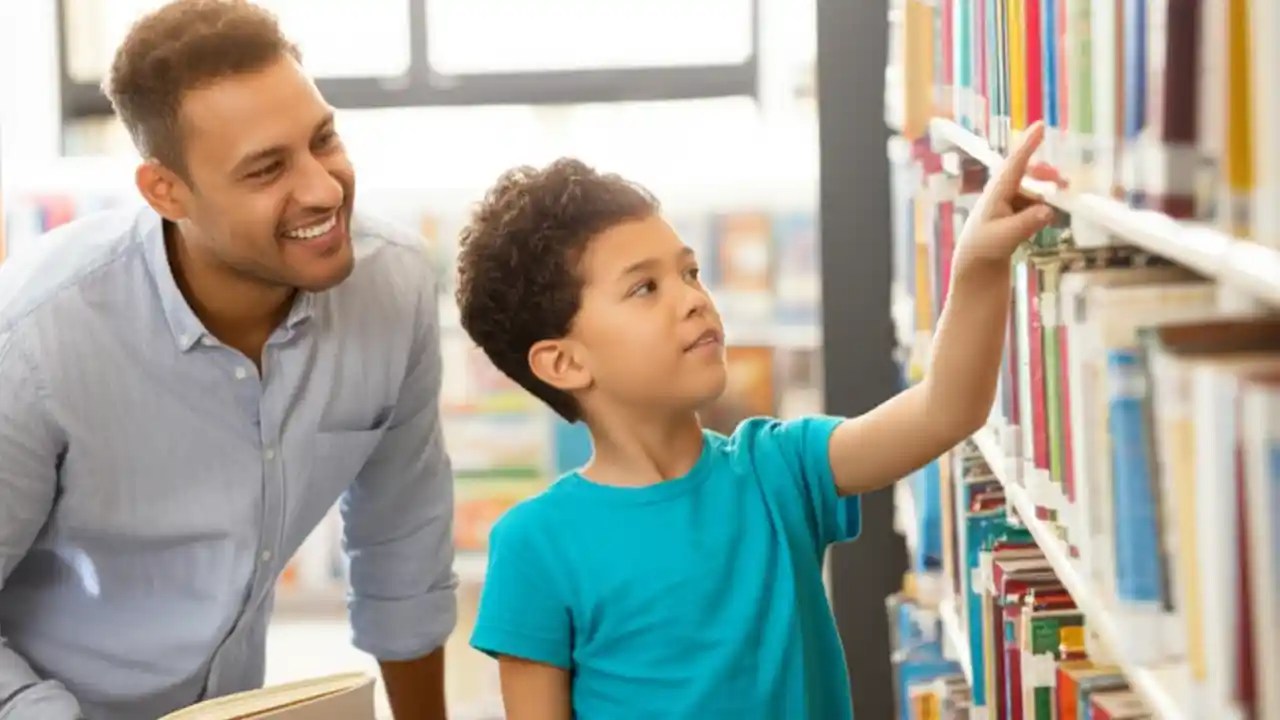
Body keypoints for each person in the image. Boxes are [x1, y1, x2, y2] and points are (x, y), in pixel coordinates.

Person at [454, 124, 1061, 718]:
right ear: (564, 362)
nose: (694, 299)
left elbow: (946, 409)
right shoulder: (535, 545)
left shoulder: (780, 469)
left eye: (689, 272)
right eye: (644, 288)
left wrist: (979, 263)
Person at [0, 2, 457, 718]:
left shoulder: (391, 285)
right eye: (267, 169)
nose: (325, 188)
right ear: (166, 191)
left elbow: (404, 547)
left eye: (324, 139)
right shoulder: (34, 341)